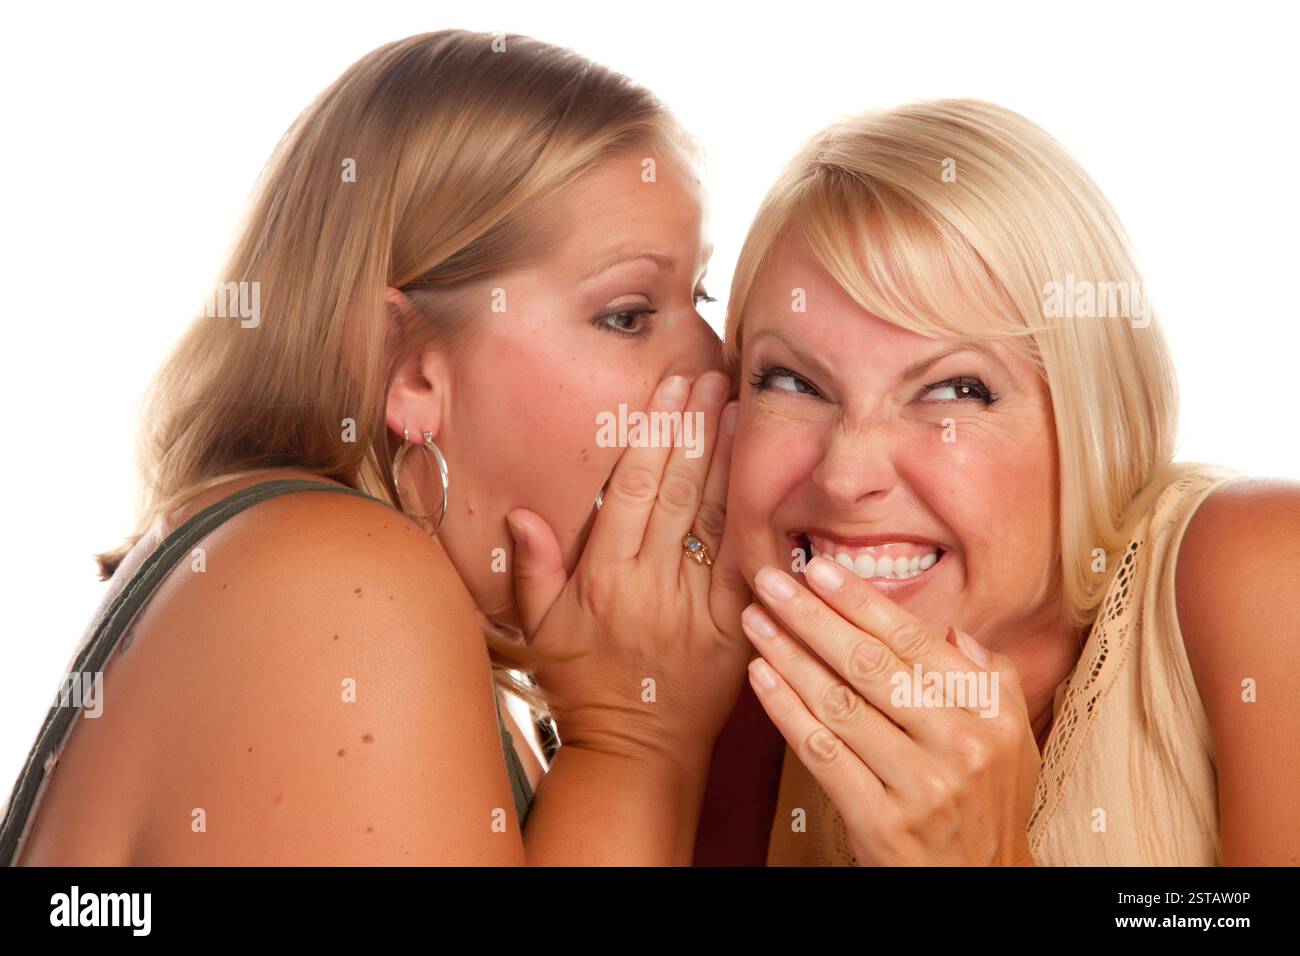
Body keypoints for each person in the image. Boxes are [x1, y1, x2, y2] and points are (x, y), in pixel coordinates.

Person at [1, 29, 752, 866]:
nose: (715, 363)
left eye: (701, 295)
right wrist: (637, 743)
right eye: (628, 315)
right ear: (406, 366)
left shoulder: (329, 585)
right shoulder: (342, 587)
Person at [701, 99, 1300, 866]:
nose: (846, 475)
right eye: (793, 380)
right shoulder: (748, 693)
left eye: (954, 391)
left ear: (1095, 419)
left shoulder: (1257, 576)